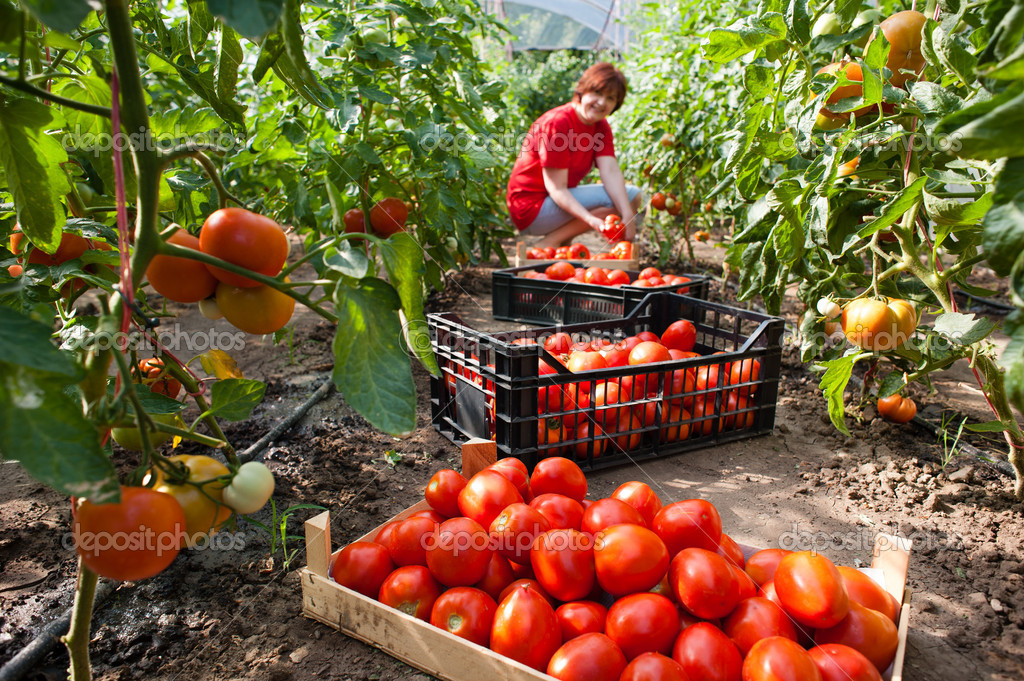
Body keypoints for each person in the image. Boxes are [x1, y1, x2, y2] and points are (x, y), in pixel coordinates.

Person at [506, 62, 643, 249]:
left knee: (628, 199)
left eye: (610, 98)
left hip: (552, 205)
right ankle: (550, 242)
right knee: (630, 195)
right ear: (582, 91)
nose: (602, 102)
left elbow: (610, 171)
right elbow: (557, 189)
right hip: (531, 210)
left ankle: (561, 242)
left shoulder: (600, 127)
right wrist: (590, 220)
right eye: (597, 93)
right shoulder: (558, 124)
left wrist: (628, 215)